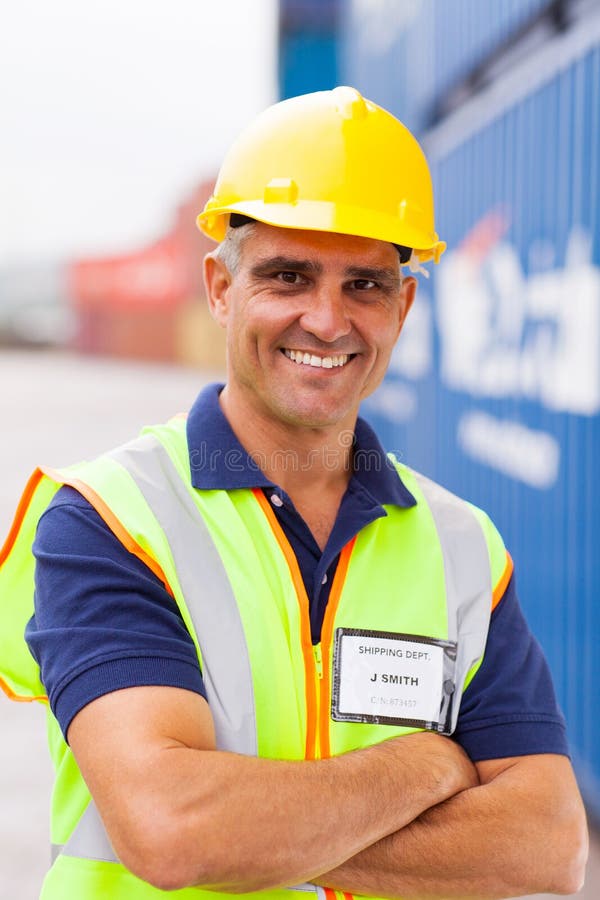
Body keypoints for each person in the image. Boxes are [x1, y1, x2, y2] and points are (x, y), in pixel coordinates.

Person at [0, 86, 588, 899]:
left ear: (405, 305)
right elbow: (172, 831)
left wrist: (253, 830)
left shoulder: (462, 545)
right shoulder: (112, 519)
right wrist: (428, 764)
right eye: (288, 275)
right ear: (219, 288)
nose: (327, 318)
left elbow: (549, 843)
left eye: (366, 286)